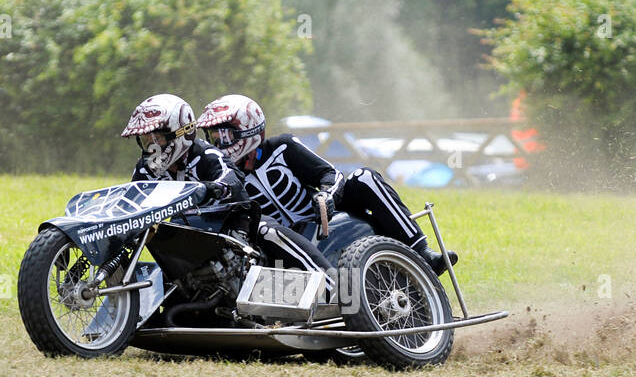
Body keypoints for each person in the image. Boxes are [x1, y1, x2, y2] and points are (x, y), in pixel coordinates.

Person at [194, 94, 458, 275]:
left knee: (362, 178)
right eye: (213, 136)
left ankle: (423, 253)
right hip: (277, 247)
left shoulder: (282, 147)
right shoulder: (223, 174)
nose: (218, 143)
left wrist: (325, 196)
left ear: (249, 130)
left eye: (224, 134)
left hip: (321, 222)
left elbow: (330, 175)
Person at [121, 94, 334, 285]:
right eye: (145, 141)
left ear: (180, 133)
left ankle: (333, 285)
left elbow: (231, 179)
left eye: (157, 138)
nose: (152, 148)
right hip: (192, 235)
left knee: (269, 231)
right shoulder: (146, 168)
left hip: (237, 227)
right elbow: (130, 200)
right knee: (163, 259)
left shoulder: (207, 155)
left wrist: (210, 188)